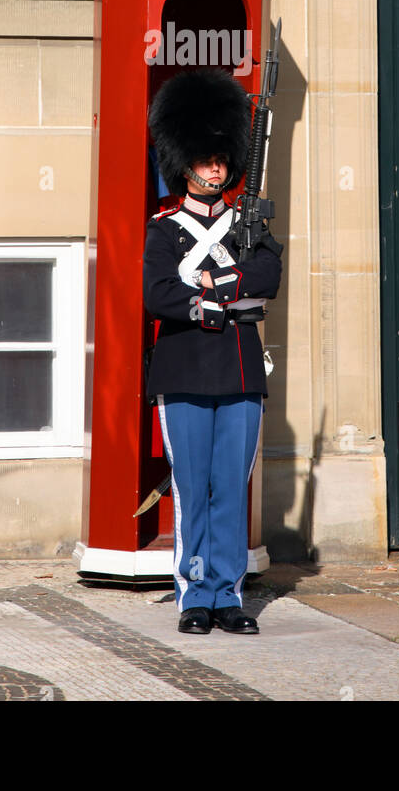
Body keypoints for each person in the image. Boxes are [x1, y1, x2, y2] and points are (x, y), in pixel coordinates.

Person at [143, 68, 284, 635]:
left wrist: (219, 286)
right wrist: (210, 303)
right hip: (184, 373)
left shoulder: (244, 225)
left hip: (241, 372)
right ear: (186, 162)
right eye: (206, 158)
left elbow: (268, 271)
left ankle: (229, 594)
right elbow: (158, 292)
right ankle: (194, 593)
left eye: (222, 158)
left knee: (230, 486)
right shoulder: (164, 227)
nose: (216, 166)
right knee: (192, 487)